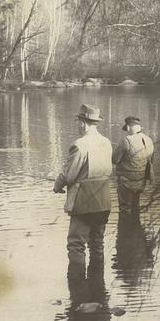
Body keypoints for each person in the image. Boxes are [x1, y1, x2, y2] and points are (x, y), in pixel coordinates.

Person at [53, 104, 113, 275]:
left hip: (84, 202)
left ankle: (77, 287)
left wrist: (57, 186)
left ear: (83, 123)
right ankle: (98, 288)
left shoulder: (79, 145)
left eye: (78, 121)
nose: (77, 125)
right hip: (103, 201)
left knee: (76, 245)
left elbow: (69, 175)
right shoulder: (106, 142)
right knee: (97, 243)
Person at [112, 116, 155, 217]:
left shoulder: (126, 140)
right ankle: (135, 229)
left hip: (126, 182)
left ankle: (125, 231)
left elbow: (114, 160)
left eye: (126, 128)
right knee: (136, 207)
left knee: (125, 210)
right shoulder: (149, 140)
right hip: (141, 182)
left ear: (128, 127)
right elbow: (151, 161)